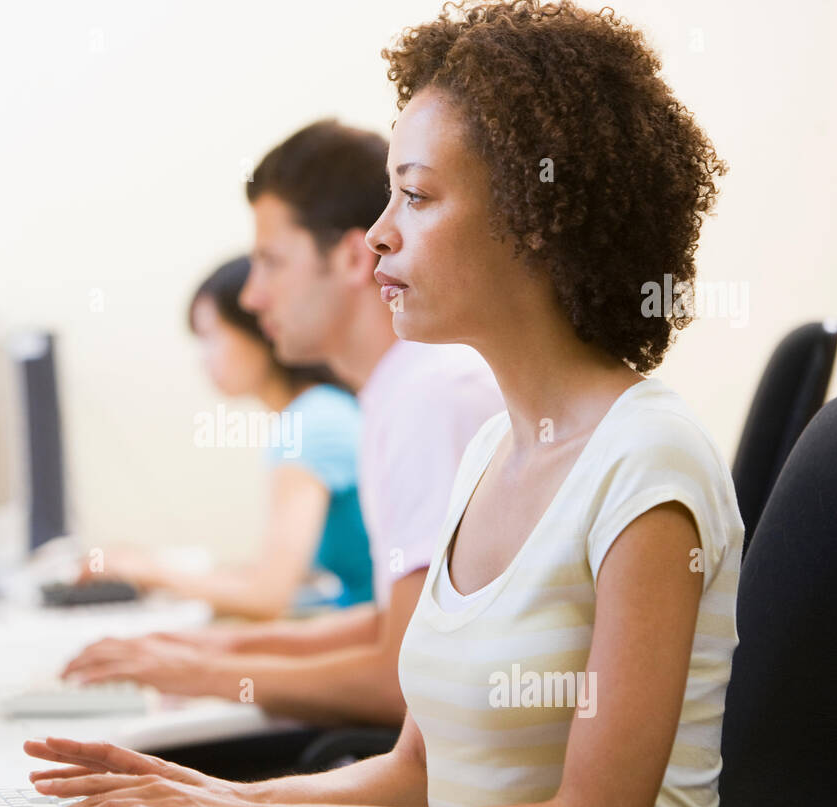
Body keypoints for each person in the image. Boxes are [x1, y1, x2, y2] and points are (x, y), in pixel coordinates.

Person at [26, 0, 743, 807]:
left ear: (535, 217)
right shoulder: (488, 455)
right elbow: (415, 776)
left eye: (417, 196)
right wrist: (202, 799)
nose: (378, 236)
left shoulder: (648, 461)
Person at [61, 119, 505, 727]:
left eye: (271, 263)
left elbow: (401, 682)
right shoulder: (393, 390)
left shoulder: (428, 393)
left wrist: (202, 673)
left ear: (352, 257)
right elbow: (394, 623)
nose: (252, 298)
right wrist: (207, 649)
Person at [83, 255, 373, 617]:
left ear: (262, 326)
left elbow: (266, 598)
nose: (202, 359)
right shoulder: (320, 410)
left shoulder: (313, 424)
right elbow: (285, 576)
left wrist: (151, 573)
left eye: (210, 336)